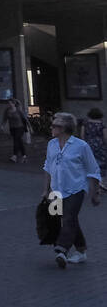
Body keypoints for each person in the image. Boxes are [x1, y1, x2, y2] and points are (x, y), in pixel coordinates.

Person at [44, 112, 102, 267]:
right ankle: (81, 251)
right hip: (56, 189)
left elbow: (93, 169)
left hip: (75, 189)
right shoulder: (51, 144)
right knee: (61, 219)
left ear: (64, 128)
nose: (52, 127)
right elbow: (48, 168)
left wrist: (95, 193)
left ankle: (62, 250)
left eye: (55, 125)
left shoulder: (81, 146)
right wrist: (46, 189)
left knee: (68, 218)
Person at [2, 97, 29, 164]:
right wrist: (2, 125)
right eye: (9, 103)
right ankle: (24, 156)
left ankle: (14, 156)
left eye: (11, 103)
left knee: (16, 140)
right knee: (19, 141)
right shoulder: (7, 110)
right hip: (12, 128)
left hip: (20, 127)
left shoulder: (18, 110)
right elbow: (5, 118)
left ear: (14, 103)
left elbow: (25, 119)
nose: (9, 104)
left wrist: (30, 128)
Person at [82, 108, 107, 175]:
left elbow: (82, 135)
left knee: (90, 160)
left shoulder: (85, 123)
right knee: (101, 161)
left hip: (89, 143)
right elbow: (105, 137)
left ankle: (92, 175)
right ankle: (100, 177)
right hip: (100, 145)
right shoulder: (102, 124)